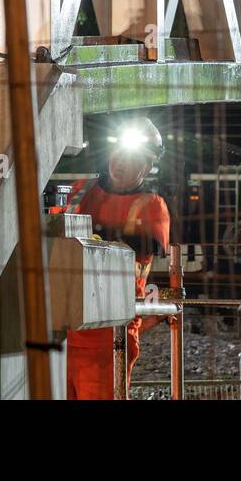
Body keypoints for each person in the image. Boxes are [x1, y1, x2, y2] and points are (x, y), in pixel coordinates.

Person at [63, 120, 171, 400]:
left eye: (132, 158)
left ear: (146, 167)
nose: (121, 163)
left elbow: (152, 245)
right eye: (118, 154)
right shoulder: (81, 190)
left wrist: (94, 234)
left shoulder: (150, 204)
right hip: (63, 329)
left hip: (110, 334)